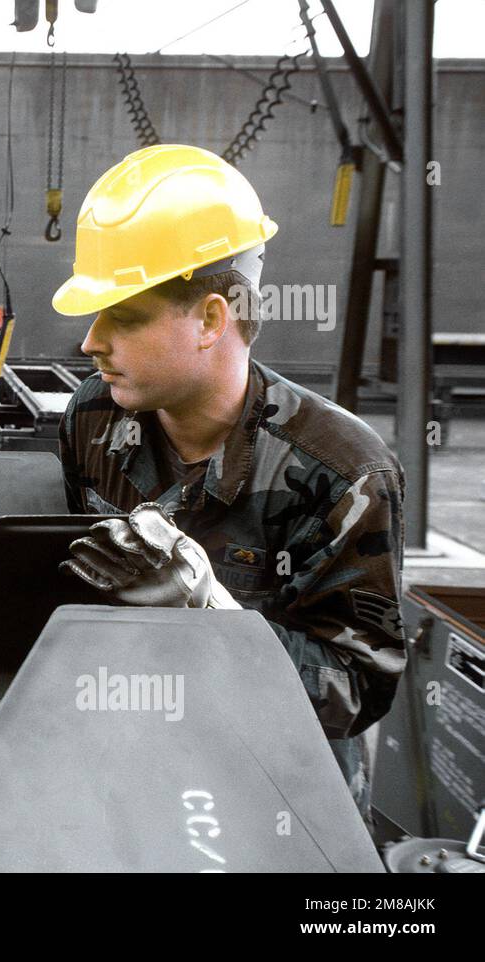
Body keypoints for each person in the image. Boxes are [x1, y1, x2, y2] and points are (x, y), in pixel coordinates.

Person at [53, 144, 406, 821]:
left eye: (122, 316)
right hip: (130, 757)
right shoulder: (93, 417)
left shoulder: (345, 473)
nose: (90, 341)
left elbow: (356, 691)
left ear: (212, 319)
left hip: (273, 792)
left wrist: (212, 617)